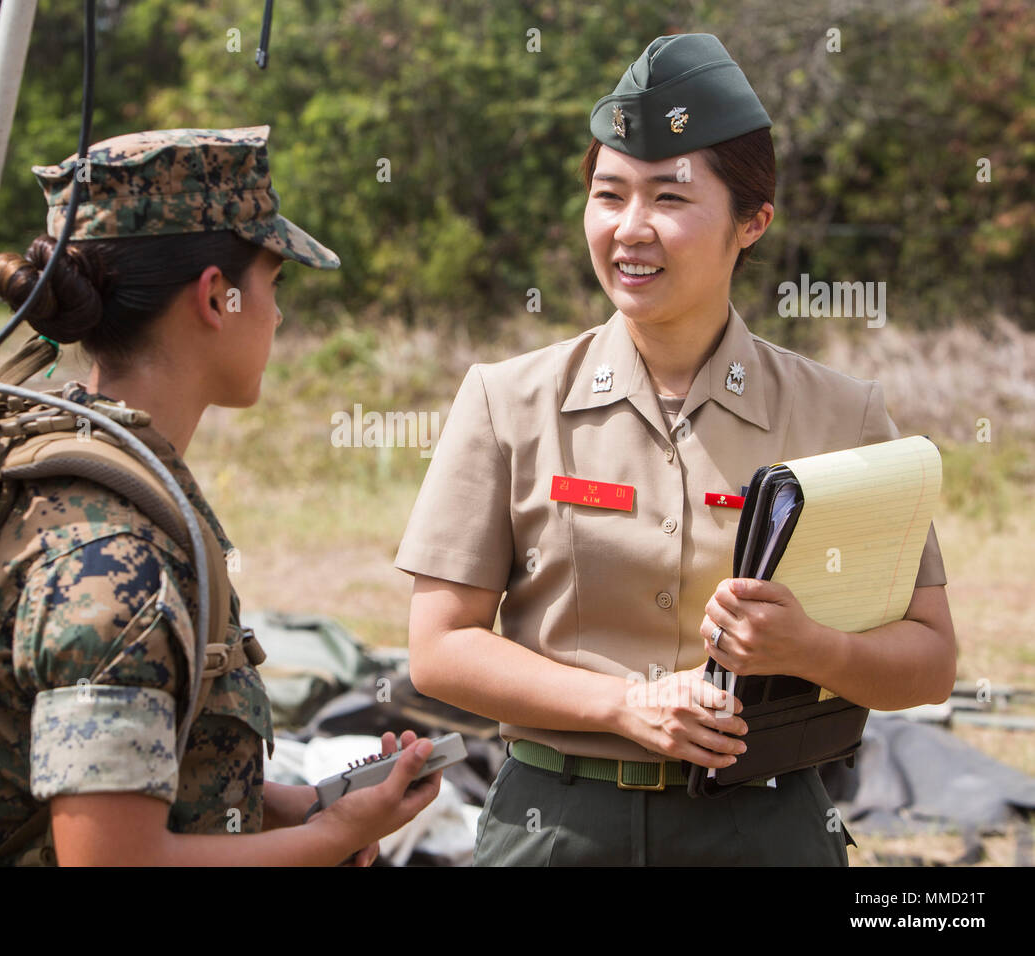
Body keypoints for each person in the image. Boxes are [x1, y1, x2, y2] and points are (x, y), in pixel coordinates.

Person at [394, 35, 956, 866]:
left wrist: (814, 648)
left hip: (763, 830)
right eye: (609, 195)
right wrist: (625, 704)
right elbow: (440, 648)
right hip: (555, 829)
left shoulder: (844, 416)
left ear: (752, 222)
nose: (630, 229)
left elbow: (931, 661)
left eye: (669, 198)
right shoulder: (505, 401)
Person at [0, 126, 440, 866]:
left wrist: (307, 809)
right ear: (216, 296)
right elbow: (116, 863)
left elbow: (130, 783)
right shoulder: (114, 566)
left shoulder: (69, 471)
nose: (277, 315)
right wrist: (329, 840)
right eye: (273, 285)